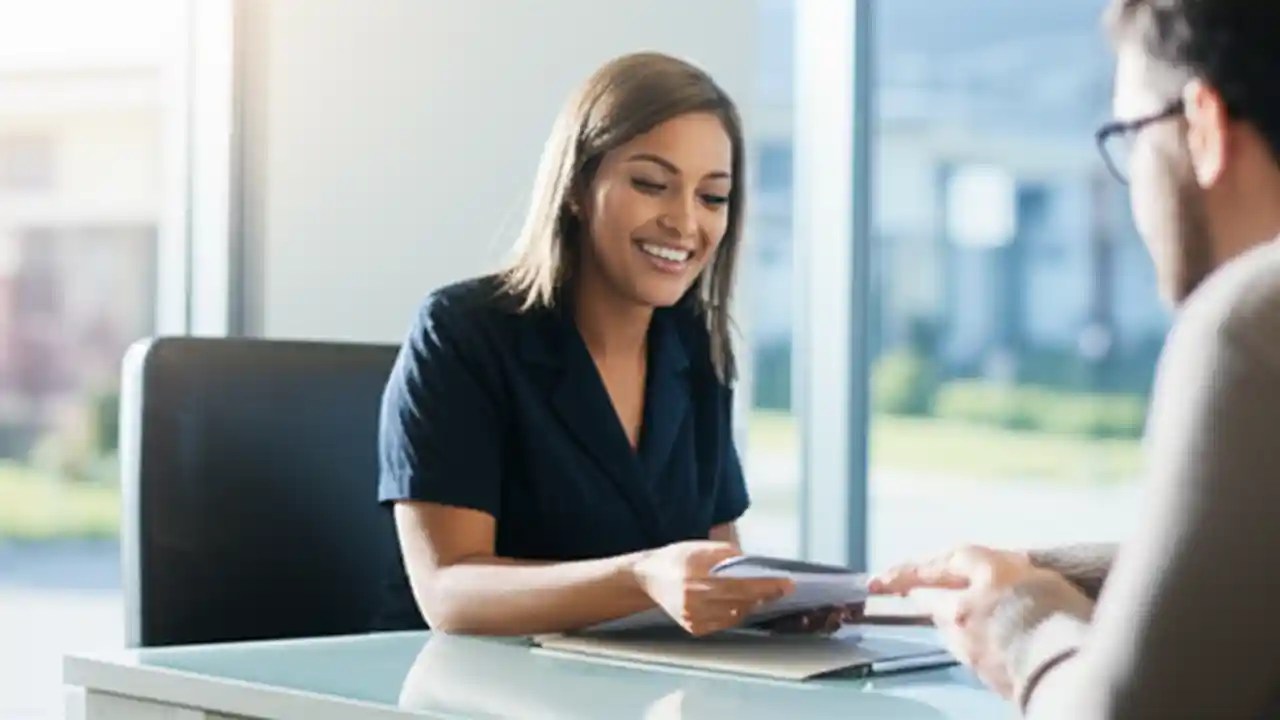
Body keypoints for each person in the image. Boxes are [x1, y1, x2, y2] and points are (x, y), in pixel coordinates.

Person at [872, 1, 1280, 716]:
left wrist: (1018, 625)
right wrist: (1046, 573)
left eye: (1132, 137)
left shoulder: (1249, 322)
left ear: (1204, 126)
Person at [374, 52, 847, 637]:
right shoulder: (462, 334)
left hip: (635, 678)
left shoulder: (695, 348)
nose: (685, 222)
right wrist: (642, 578)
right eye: (651, 185)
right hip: (464, 679)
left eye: (712, 197)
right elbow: (448, 593)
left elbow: (715, 564)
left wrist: (772, 606)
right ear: (577, 186)